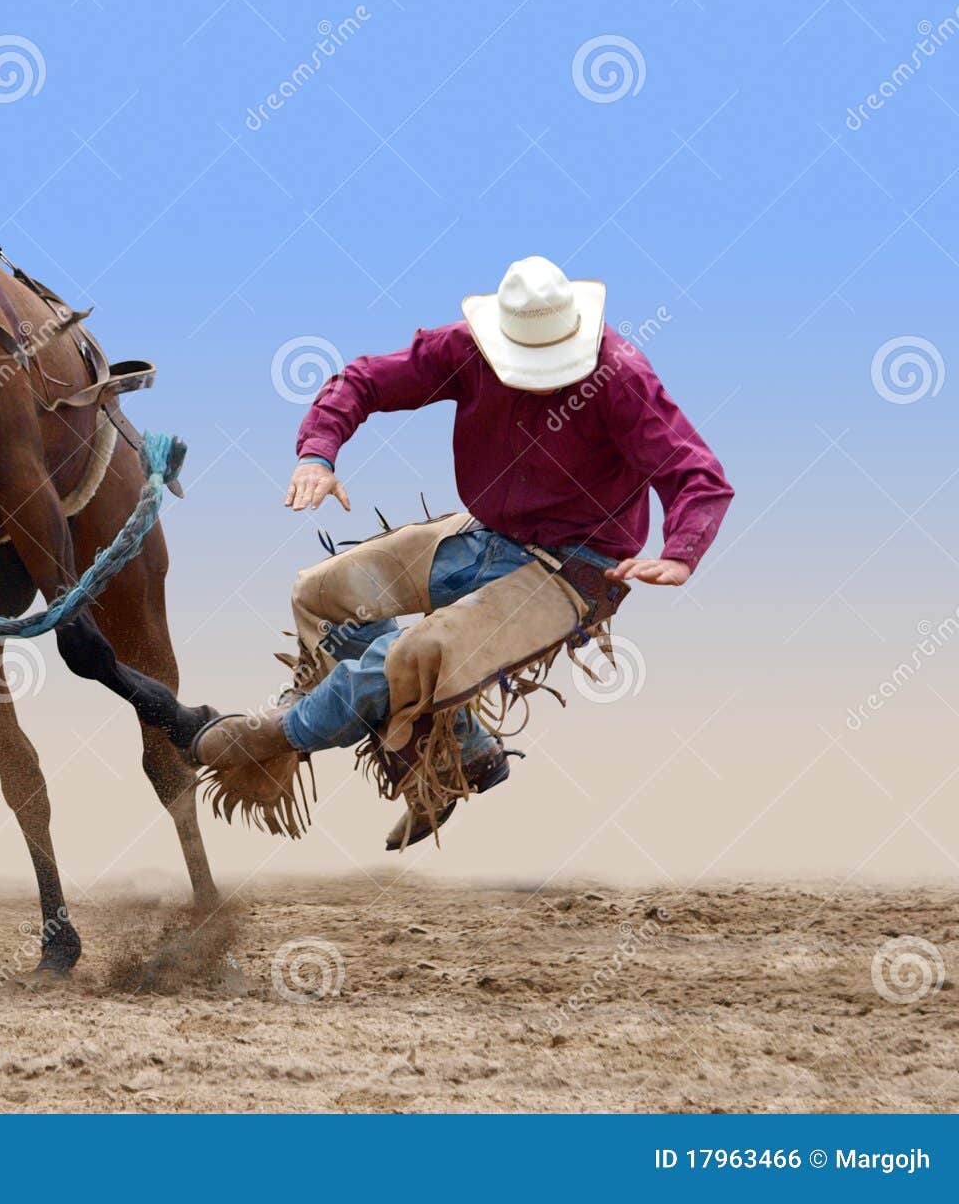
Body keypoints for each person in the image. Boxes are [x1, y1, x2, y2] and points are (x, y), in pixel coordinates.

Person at [190, 256, 734, 848]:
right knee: (321, 595)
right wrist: (318, 452)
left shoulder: (621, 376)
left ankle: (279, 734)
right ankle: (461, 755)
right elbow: (366, 380)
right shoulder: (466, 349)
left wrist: (681, 551)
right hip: (485, 534)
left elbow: (695, 471)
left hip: (577, 569)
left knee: (413, 654)